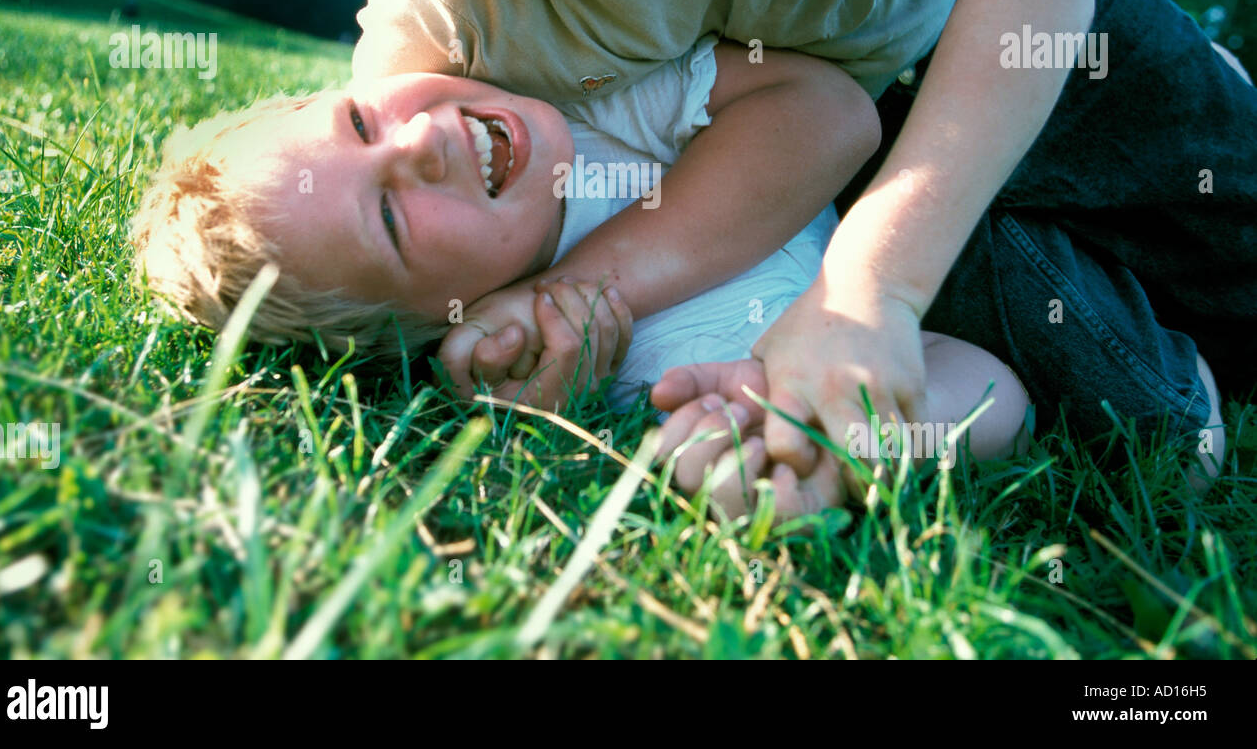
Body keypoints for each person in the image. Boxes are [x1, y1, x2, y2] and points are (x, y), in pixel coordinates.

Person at [182, 0, 1249, 508]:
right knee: (1140, 385)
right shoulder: (446, 13)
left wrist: (866, 290)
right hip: (877, 174)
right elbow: (368, 205)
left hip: (1045, 53)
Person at [131, 38, 1033, 517]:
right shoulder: (639, 376)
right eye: (392, 216)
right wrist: (822, 434)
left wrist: (604, 278)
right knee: (1145, 386)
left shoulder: (597, 100)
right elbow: (998, 391)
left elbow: (838, 114)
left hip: (969, 135)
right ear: (437, 326)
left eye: (362, 121)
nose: (422, 139)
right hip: (1007, 278)